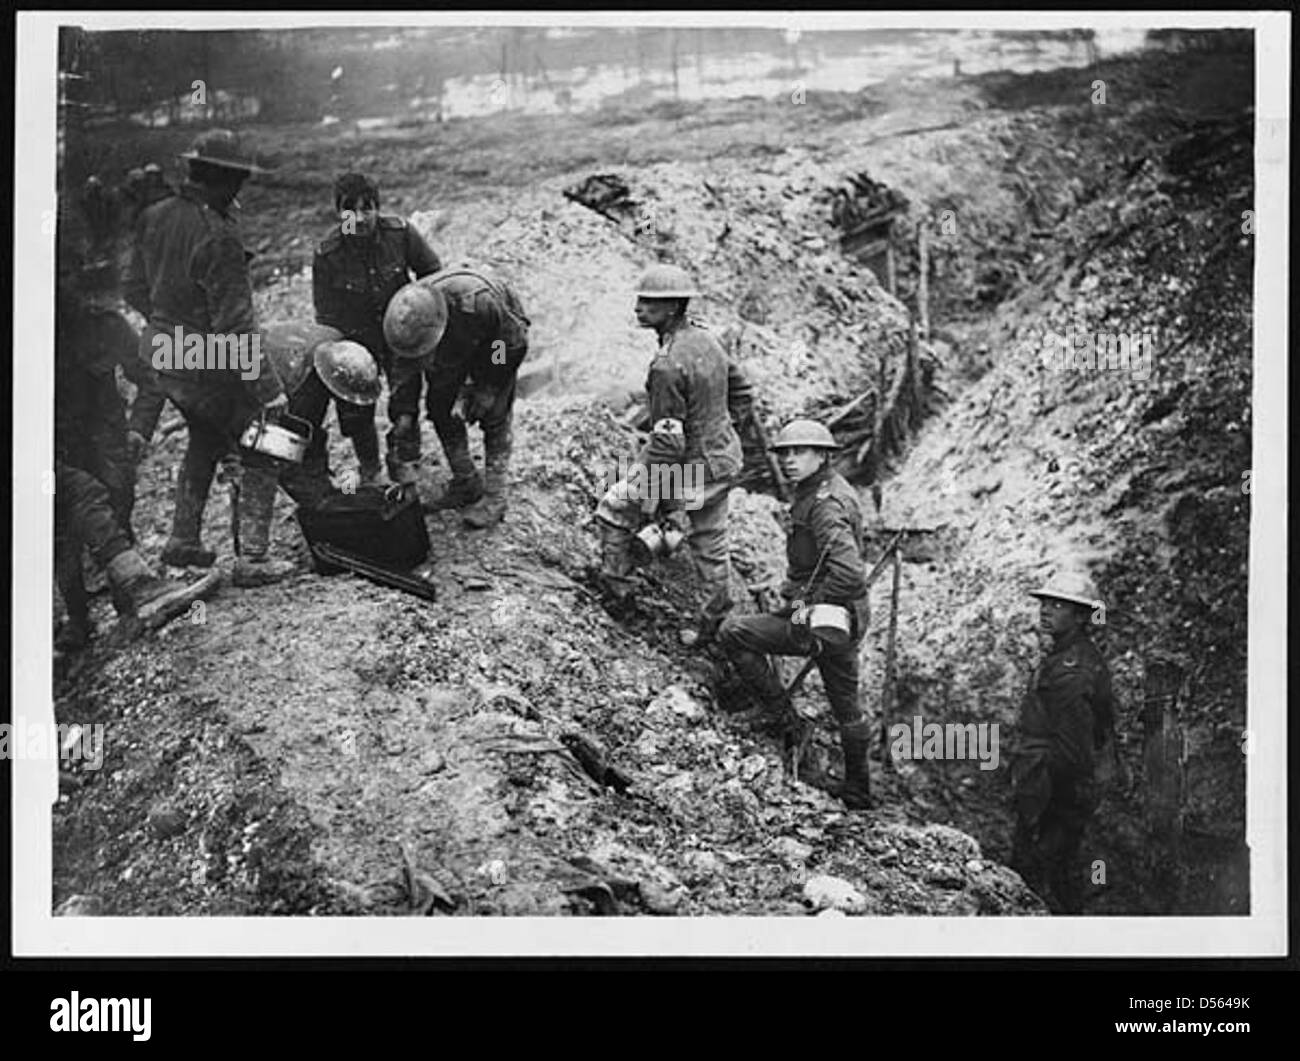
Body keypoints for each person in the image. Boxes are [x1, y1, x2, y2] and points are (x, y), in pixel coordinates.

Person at [123, 128, 294, 585]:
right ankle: (252, 561)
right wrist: (269, 391)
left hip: (165, 358)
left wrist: (167, 324)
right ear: (225, 179)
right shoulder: (219, 238)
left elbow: (132, 286)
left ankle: (182, 538)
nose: (241, 190)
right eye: (238, 180)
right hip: (207, 364)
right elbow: (236, 327)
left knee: (203, 437)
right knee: (267, 442)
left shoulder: (154, 216)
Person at [715, 419, 873, 810]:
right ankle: (859, 790)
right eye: (784, 453)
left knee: (734, 633)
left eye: (799, 452)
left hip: (825, 618)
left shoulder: (824, 505)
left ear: (823, 455)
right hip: (845, 618)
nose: (788, 460)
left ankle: (784, 721)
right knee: (846, 704)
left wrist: (806, 603)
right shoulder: (819, 490)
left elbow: (851, 573)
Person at [593, 264, 753, 642]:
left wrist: (644, 488)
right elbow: (742, 393)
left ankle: (618, 594)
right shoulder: (707, 339)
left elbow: (667, 443)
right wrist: (723, 431)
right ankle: (715, 621)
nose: (638, 308)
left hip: (692, 469)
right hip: (724, 460)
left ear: (672, 308)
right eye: (640, 300)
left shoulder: (666, 365)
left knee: (614, 508)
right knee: (710, 540)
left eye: (650, 303)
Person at [312, 172, 442, 486]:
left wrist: (416, 314)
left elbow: (432, 273)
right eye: (350, 210)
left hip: (399, 333)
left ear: (377, 208)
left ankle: (403, 458)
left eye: (368, 208)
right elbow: (326, 315)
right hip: (355, 339)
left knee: (406, 401)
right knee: (356, 409)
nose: (360, 218)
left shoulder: (400, 233)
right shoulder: (328, 253)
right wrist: (343, 355)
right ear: (339, 212)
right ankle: (369, 466)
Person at [382, 267, 530, 528]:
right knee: (439, 408)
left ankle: (495, 496)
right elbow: (403, 376)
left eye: (424, 354)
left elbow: (512, 344)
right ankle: (466, 482)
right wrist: (404, 417)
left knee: (494, 416)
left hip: (495, 344)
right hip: (453, 350)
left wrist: (489, 388)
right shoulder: (403, 325)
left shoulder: (478, 304)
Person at [1009, 571, 1117, 914]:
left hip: (1054, 793)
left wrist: (1042, 799)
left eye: (1058, 605)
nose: (1045, 611)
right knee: (1054, 877)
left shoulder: (1073, 670)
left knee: (1036, 875)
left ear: (1082, 616)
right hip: (1050, 789)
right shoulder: (1069, 656)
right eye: (1044, 603)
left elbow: (1072, 753)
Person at [257, 321, 383, 508]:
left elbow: (359, 419)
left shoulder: (342, 351)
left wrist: (370, 472)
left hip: (301, 365)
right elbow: (285, 453)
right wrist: (320, 500)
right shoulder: (296, 388)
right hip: (246, 377)